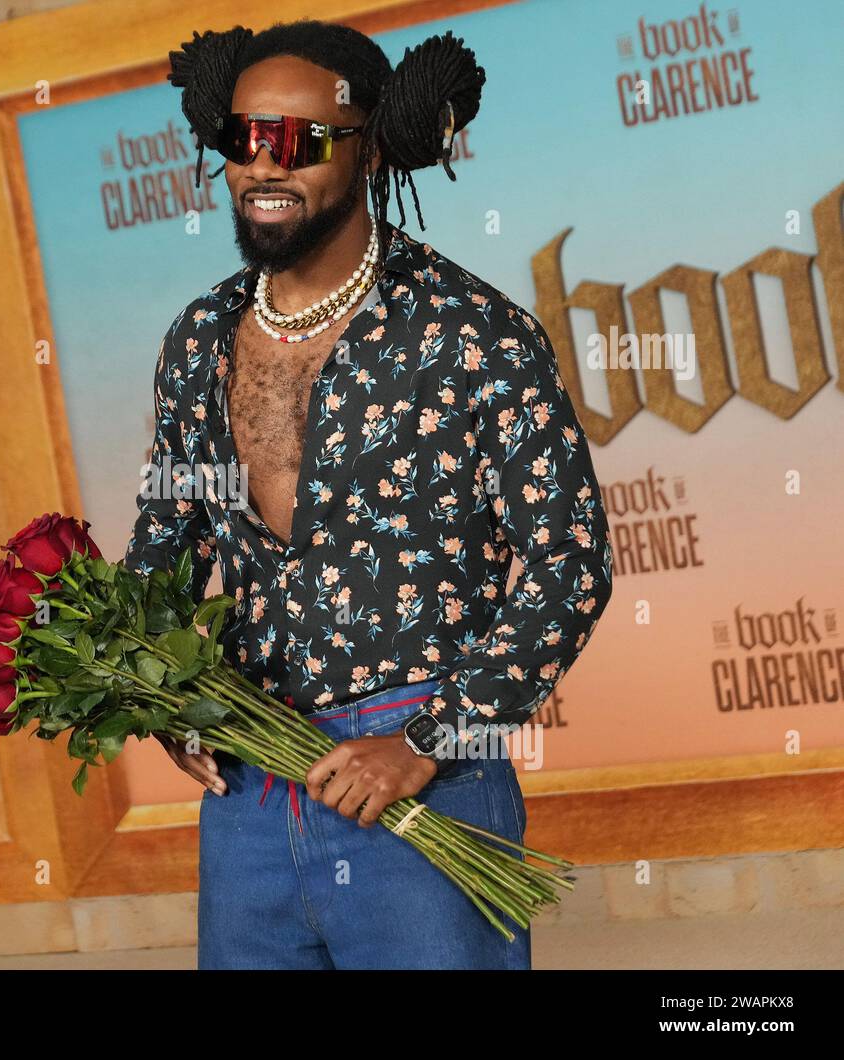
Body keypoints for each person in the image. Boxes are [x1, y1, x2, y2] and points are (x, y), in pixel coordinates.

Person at [124, 21, 613, 970]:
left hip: (425, 783)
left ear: (372, 145)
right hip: (251, 789)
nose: (264, 167)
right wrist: (163, 694)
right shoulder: (196, 342)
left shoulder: (472, 332)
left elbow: (570, 563)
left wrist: (428, 741)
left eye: (299, 143)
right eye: (243, 138)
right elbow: (164, 543)